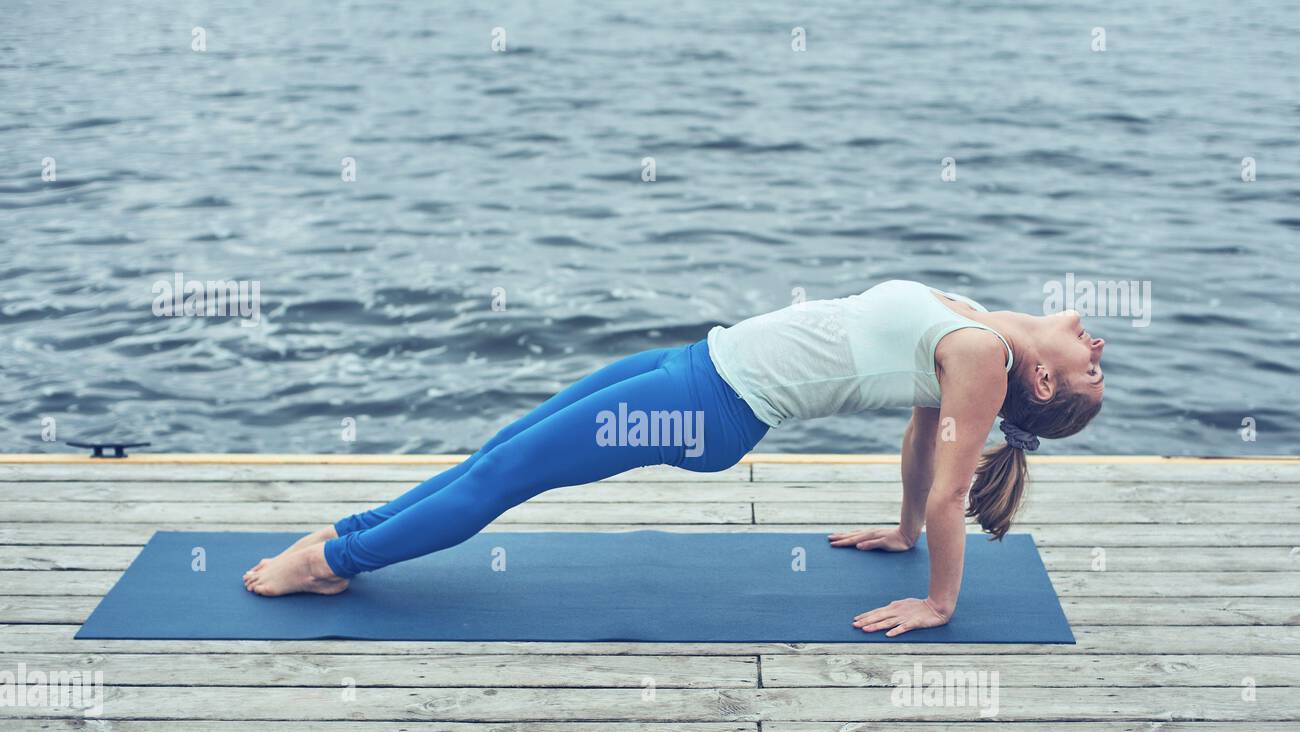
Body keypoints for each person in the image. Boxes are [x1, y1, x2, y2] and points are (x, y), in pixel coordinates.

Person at [243, 279, 1104, 636]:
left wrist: (938, 600)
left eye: (1092, 368)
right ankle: (353, 538)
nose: (1095, 342)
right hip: (694, 366)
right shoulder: (982, 334)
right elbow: (923, 434)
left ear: (1037, 378)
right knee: (499, 452)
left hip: (704, 412)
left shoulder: (986, 362)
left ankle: (327, 560)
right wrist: (904, 527)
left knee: (501, 479)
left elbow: (956, 485)